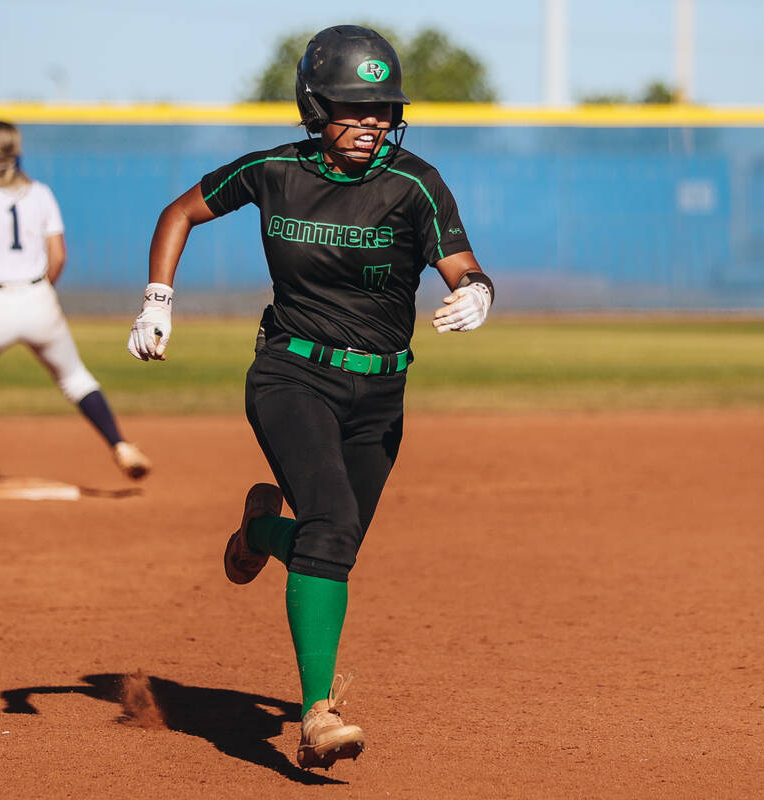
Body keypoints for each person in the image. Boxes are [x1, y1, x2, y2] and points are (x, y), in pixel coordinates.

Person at [127, 25, 494, 769]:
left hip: (380, 392)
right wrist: (157, 300)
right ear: (312, 105)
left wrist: (479, 291)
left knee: (337, 545)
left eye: (384, 110)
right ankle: (318, 715)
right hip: (291, 375)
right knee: (328, 527)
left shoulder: (414, 183)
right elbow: (180, 213)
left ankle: (260, 531)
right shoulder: (273, 171)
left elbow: (461, 264)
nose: (371, 124)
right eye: (353, 109)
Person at [0, 120, 150, 499]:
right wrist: (40, 291)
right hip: (38, 297)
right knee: (76, 379)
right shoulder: (40, 194)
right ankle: (122, 447)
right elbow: (59, 256)